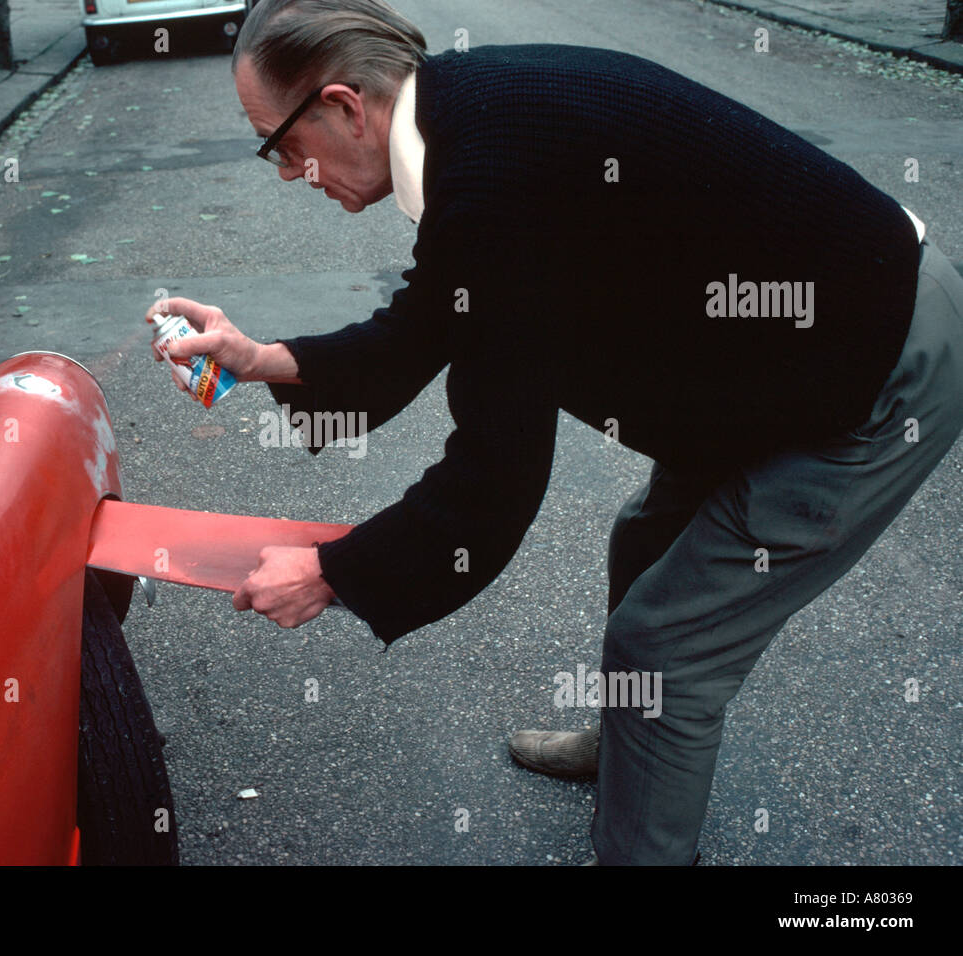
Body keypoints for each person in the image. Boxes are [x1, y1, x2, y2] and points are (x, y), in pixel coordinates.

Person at [144, 0, 963, 865]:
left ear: (345, 106)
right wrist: (263, 357)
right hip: (784, 352)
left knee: (665, 644)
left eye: (280, 146)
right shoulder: (468, 123)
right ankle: (630, 749)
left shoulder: (492, 176)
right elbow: (432, 320)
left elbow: (495, 480)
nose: (287, 175)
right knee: (643, 537)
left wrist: (331, 573)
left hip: (877, 365)